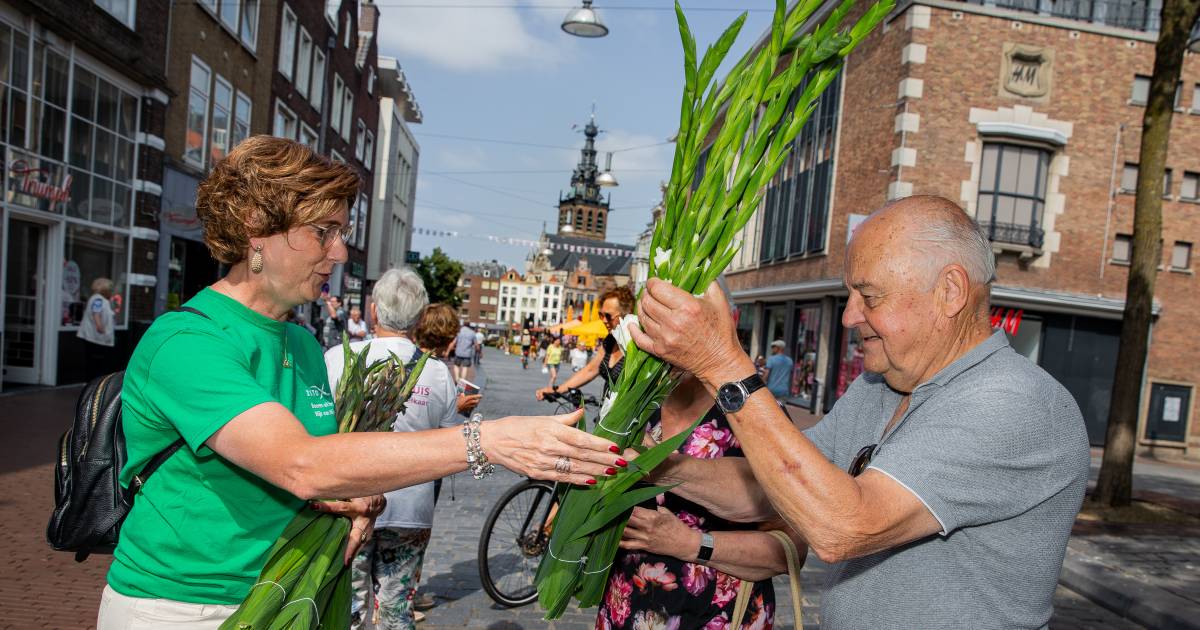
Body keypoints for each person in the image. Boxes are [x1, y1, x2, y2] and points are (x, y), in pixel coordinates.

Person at [101, 136, 623, 629]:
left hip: (293, 591)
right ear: (255, 225)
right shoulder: (188, 341)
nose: (339, 252)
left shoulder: (303, 345)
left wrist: (345, 503)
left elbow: (320, 472)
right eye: (322, 232)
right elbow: (301, 464)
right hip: (186, 607)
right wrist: (489, 440)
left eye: (341, 233)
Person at [632, 196, 1091, 630]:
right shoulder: (881, 384)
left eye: (869, 296)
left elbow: (843, 527)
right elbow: (775, 488)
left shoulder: (1014, 402)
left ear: (950, 291)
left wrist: (721, 364)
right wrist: (659, 467)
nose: (851, 316)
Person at [325, 269, 471, 630]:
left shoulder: (337, 358)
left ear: (373, 311)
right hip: (410, 507)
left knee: (348, 610)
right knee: (396, 612)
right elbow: (451, 443)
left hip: (349, 502)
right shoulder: (437, 372)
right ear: (421, 317)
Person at [596, 372, 796, 630]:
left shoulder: (755, 413)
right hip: (623, 607)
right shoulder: (636, 405)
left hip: (718, 616)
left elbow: (790, 550)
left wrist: (691, 544)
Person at [536, 286, 634, 400]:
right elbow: (591, 369)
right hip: (606, 413)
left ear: (626, 315)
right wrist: (557, 390)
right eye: (601, 315)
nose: (603, 320)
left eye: (608, 316)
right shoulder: (610, 341)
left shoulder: (635, 345)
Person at [77, 277, 116, 380]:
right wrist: (100, 327)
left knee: (94, 364)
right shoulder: (98, 299)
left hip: (98, 339)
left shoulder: (100, 299)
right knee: (96, 364)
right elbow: (96, 314)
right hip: (96, 339)